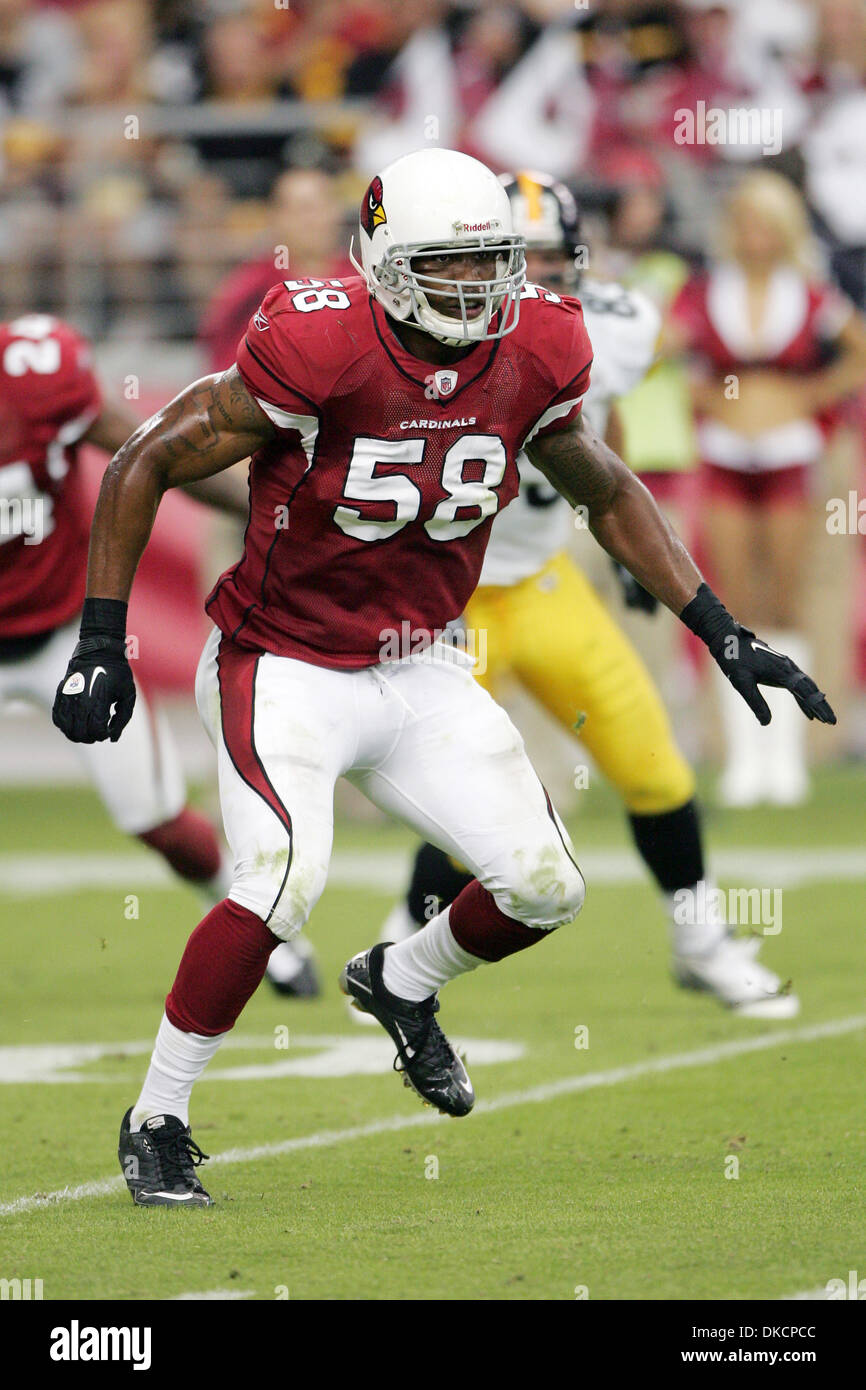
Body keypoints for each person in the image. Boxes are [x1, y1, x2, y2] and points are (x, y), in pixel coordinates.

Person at [50, 149, 834, 1209]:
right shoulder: (318, 338)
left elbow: (603, 488)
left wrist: (718, 626)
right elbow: (145, 456)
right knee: (283, 881)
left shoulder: (541, 342)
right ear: (381, 263)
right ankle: (158, 1115)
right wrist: (103, 637)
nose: (477, 288)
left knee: (547, 885)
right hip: (285, 659)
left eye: (492, 262)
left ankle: (402, 979)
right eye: (449, 265)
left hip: (420, 658)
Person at [375, 169, 801, 1018]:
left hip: (541, 581)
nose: (529, 278)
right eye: (512, 256)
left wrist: (630, 538)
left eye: (545, 258)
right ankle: (397, 947)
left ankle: (701, 940)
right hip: (444, 600)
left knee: (650, 757)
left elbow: (601, 425)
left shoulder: (614, 324)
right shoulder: (420, 330)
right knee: (463, 793)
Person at [0, 311, 316, 996]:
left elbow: (147, 451)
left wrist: (257, 510)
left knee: (162, 823)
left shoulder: (35, 378)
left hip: (58, 638)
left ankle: (257, 927)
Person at [666, 170, 866, 805]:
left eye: (765, 226)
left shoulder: (809, 296)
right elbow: (660, 349)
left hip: (788, 452)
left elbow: (857, 352)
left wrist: (808, 395)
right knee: (732, 597)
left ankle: (786, 757)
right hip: (726, 452)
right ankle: (743, 756)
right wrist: (697, 393)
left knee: (783, 597)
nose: (754, 238)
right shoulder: (705, 293)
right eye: (745, 225)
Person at [199, 166, 353, 373]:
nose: (311, 221)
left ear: (337, 211)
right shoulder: (250, 286)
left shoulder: (364, 280)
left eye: (319, 207)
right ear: (276, 217)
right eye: (300, 210)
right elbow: (221, 360)